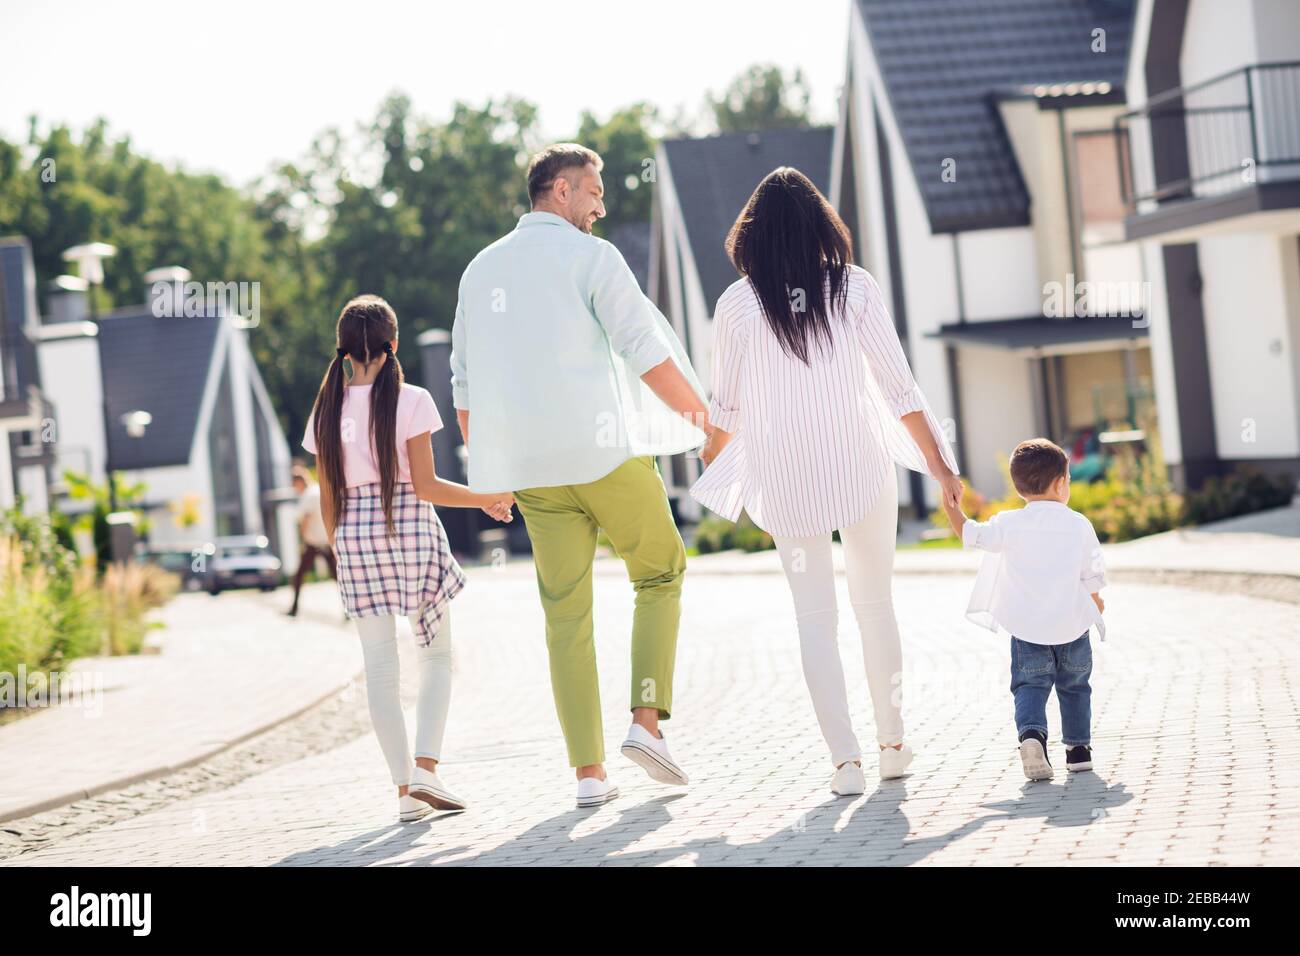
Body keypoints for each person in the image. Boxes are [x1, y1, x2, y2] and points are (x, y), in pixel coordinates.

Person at [450, 143, 710, 808]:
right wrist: (702, 422)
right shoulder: (592, 258)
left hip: (532, 472)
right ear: (561, 190)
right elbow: (643, 349)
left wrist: (491, 475)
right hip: (604, 456)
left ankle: (589, 777)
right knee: (660, 571)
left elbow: (465, 380)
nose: (601, 206)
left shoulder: (481, 271)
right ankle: (646, 722)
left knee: (565, 615)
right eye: (594, 192)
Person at [691, 167, 962, 796]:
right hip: (861, 466)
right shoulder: (856, 289)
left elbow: (724, 414)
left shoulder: (734, 306)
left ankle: (845, 763)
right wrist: (942, 468)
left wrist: (712, 465)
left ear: (751, 235)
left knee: (815, 620)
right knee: (876, 608)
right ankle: (893, 744)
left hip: (782, 479)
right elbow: (900, 389)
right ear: (820, 224)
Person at [303, 294, 514, 823]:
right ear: (393, 344)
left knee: (379, 670)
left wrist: (341, 546)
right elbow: (426, 485)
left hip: (353, 535)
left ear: (343, 349)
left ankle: (404, 793)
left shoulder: (326, 407)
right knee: (437, 656)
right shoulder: (413, 399)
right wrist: (488, 495)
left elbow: (328, 494)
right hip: (410, 527)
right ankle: (426, 768)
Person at [942, 438, 1106, 781]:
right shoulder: (1078, 524)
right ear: (1061, 483)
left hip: (1027, 631)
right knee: (1075, 686)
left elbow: (971, 535)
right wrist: (1096, 601)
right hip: (1073, 627)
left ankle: (1032, 735)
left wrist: (951, 505)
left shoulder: (1008, 523)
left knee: (1030, 686)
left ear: (1019, 489)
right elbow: (1092, 572)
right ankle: (1078, 751)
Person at [286, 465, 336, 617]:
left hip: (314, 543)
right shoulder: (318, 490)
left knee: (299, 576)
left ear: (299, 482)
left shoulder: (308, 495)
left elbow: (305, 520)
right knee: (338, 576)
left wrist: (302, 539)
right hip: (327, 540)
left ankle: (294, 608)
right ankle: (348, 608)